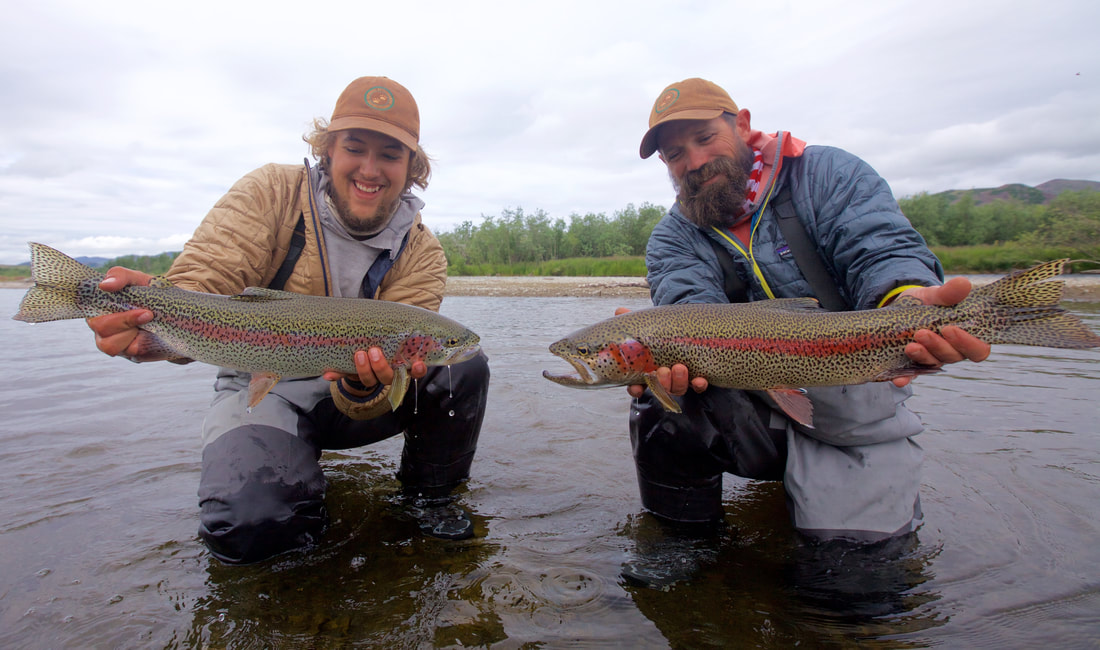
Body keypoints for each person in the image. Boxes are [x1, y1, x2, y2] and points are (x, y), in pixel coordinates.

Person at [87, 76, 490, 564]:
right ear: (327, 150)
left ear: (411, 169)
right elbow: (201, 284)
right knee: (250, 527)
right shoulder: (272, 192)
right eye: (354, 148)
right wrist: (148, 316)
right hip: (259, 377)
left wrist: (366, 386)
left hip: (353, 393)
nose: (369, 168)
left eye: (390, 155)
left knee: (462, 366)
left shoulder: (422, 251)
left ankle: (429, 500)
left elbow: (394, 381)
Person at [626, 77, 990, 542]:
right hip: (758, 410)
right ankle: (683, 552)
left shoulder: (829, 174)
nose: (694, 161)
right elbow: (689, 311)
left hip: (858, 410)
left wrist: (906, 298)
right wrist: (659, 346)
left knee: (847, 591)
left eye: (704, 139)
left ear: (742, 125)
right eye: (676, 155)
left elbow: (879, 249)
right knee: (658, 404)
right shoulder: (673, 237)